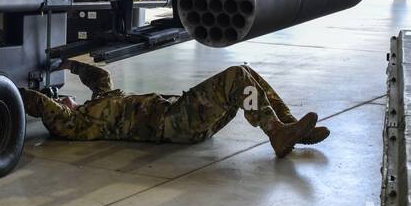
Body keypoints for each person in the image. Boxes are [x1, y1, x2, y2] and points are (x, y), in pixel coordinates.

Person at [21, 59, 328, 158]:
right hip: (174, 122)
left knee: (245, 75)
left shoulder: (99, 101)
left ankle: (289, 127)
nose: (62, 101)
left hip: (185, 117)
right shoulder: (81, 123)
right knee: (236, 77)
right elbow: (42, 105)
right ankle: (276, 133)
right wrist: (7, 90)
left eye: (63, 98)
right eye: (61, 103)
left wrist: (67, 64)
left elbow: (99, 77)